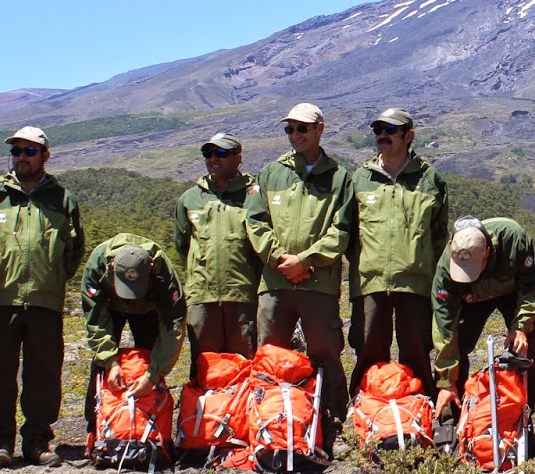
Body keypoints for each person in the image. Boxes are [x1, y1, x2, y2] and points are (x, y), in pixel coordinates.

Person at [245, 102, 357, 433]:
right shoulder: (270, 173)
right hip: (275, 282)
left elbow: (343, 230)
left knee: (326, 350)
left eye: (302, 128)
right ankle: (269, 420)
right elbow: (255, 222)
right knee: (272, 352)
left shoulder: (339, 178)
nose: (295, 135)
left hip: (317, 283)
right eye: (289, 129)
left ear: (320, 129)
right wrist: (281, 259)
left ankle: (333, 418)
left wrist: (306, 261)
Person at [0, 126, 86, 468]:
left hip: (44, 300)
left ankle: (37, 441)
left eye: (29, 151)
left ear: (45, 155)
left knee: (43, 375)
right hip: (0, 299)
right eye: (17, 151)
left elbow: (74, 249)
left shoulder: (62, 198)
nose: (21, 157)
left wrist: (51, 279)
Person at [347, 108, 449, 398]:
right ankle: (364, 413)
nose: (382, 135)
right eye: (379, 130)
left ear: (409, 136)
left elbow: (439, 236)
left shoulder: (431, 179)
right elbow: (350, 233)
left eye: (390, 130)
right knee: (368, 351)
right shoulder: (361, 178)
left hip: (416, 282)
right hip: (370, 282)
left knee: (417, 353)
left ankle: (420, 414)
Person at [433, 217, 535, 417]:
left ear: (487, 251)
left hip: (511, 291)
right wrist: (446, 381)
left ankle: (522, 417)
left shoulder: (514, 239)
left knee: (524, 345)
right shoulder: (445, 269)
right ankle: (456, 421)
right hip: (472, 297)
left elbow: (534, 285)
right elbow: (444, 326)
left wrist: (521, 326)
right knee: (456, 345)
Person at [173, 132, 260, 360]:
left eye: (221, 153)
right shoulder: (190, 199)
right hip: (202, 297)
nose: (213, 158)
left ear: (238, 157)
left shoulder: (255, 196)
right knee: (205, 368)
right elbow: (183, 245)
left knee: (246, 365)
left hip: (243, 295)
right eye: (208, 153)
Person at [80, 235, 187, 422]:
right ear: (112, 265)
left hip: (148, 308)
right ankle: (95, 425)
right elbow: (96, 321)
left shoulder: (164, 273)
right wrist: (110, 362)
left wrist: (153, 375)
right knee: (101, 365)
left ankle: (149, 422)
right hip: (111, 305)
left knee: (147, 357)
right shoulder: (97, 265)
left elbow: (173, 325)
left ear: (151, 268)